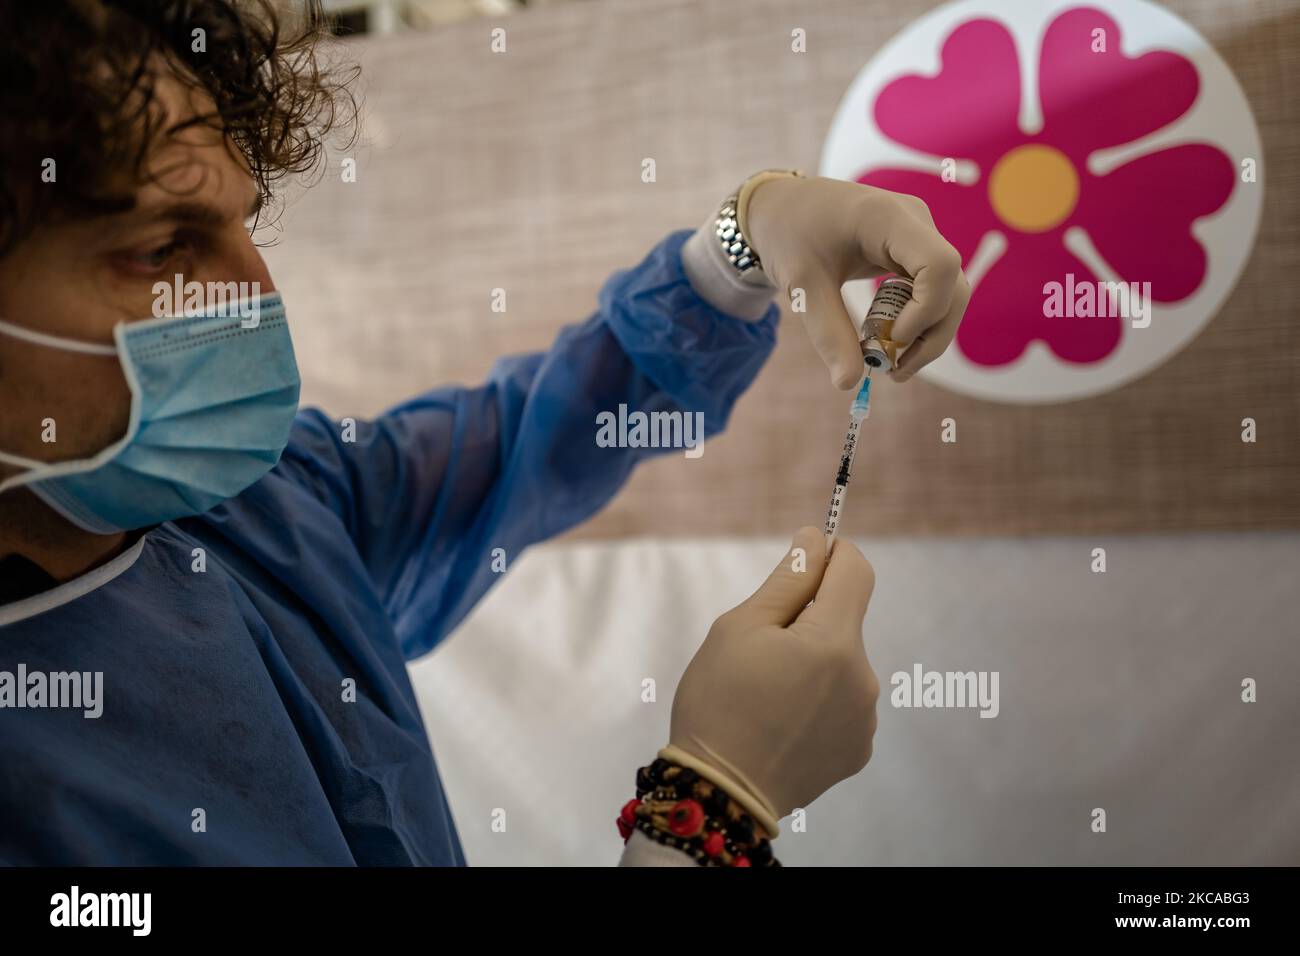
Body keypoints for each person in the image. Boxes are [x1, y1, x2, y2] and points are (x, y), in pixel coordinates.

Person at [0, 0, 969, 866]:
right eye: (162, 248)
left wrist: (743, 244)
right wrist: (708, 813)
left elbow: (533, 434)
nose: (258, 300)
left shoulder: (260, 512)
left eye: (244, 225)